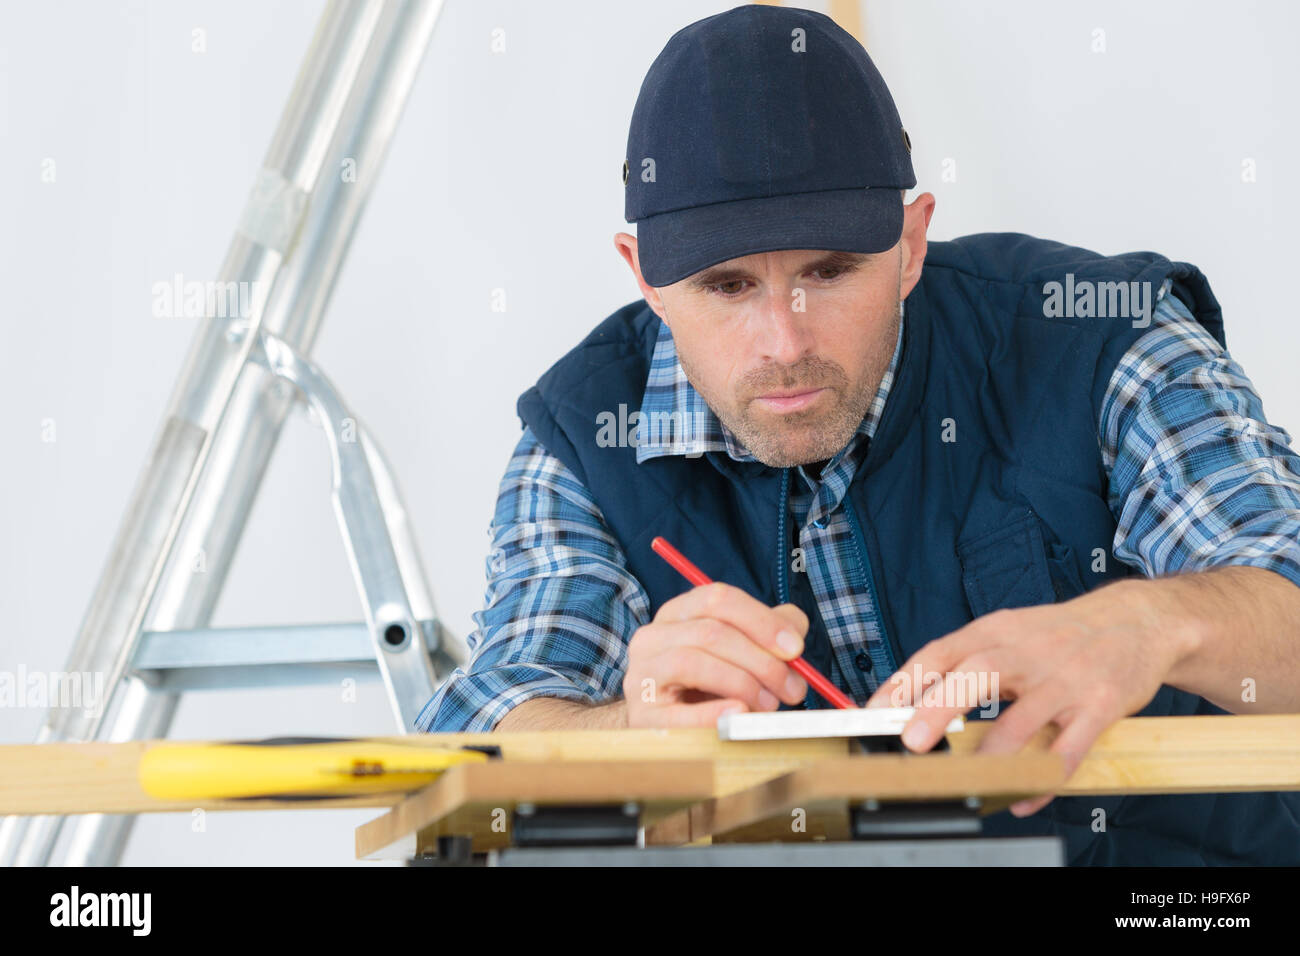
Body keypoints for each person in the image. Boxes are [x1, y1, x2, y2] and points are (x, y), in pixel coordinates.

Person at [416, 4, 1300, 865]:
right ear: (644, 273)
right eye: (727, 287)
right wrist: (629, 734)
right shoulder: (582, 440)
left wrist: (1154, 624)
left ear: (912, 244)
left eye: (830, 271)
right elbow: (474, 746)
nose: (785, 343)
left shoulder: (1109, 341)